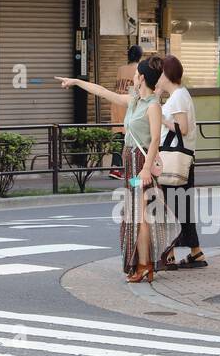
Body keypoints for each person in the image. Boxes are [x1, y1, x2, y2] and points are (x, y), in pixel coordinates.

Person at [61, 56, 176, 282]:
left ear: (141, 78)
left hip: (140, 165)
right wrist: (76, 81)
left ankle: (144, 264)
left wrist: (144, 171)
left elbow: (154, 140)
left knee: (141, 216)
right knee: (137, 216)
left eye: (135, 74)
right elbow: (103, 92)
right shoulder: (135, 102)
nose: (133, 77)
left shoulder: (152, 106)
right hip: (131, 164)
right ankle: (145, 264)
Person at [158, 54, 207, 270]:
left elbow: (183, 128)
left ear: (166, 74)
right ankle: (195, 253)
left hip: (174, 159)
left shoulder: (178, 96)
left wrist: (161, 118)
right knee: (181, 207)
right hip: (181, 160)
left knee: (170, 207)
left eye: (160, 72)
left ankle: (168, 254)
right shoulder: (179, 94)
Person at [108, 45, 144, 179]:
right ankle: (133, 171)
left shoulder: (120, 69)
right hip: (129, 106)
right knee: (133, 141)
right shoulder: (139, 70)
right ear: (140, 56)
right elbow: (135, 91)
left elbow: (118, 87)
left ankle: (115, 169)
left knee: (118, 137)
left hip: (117, 104)